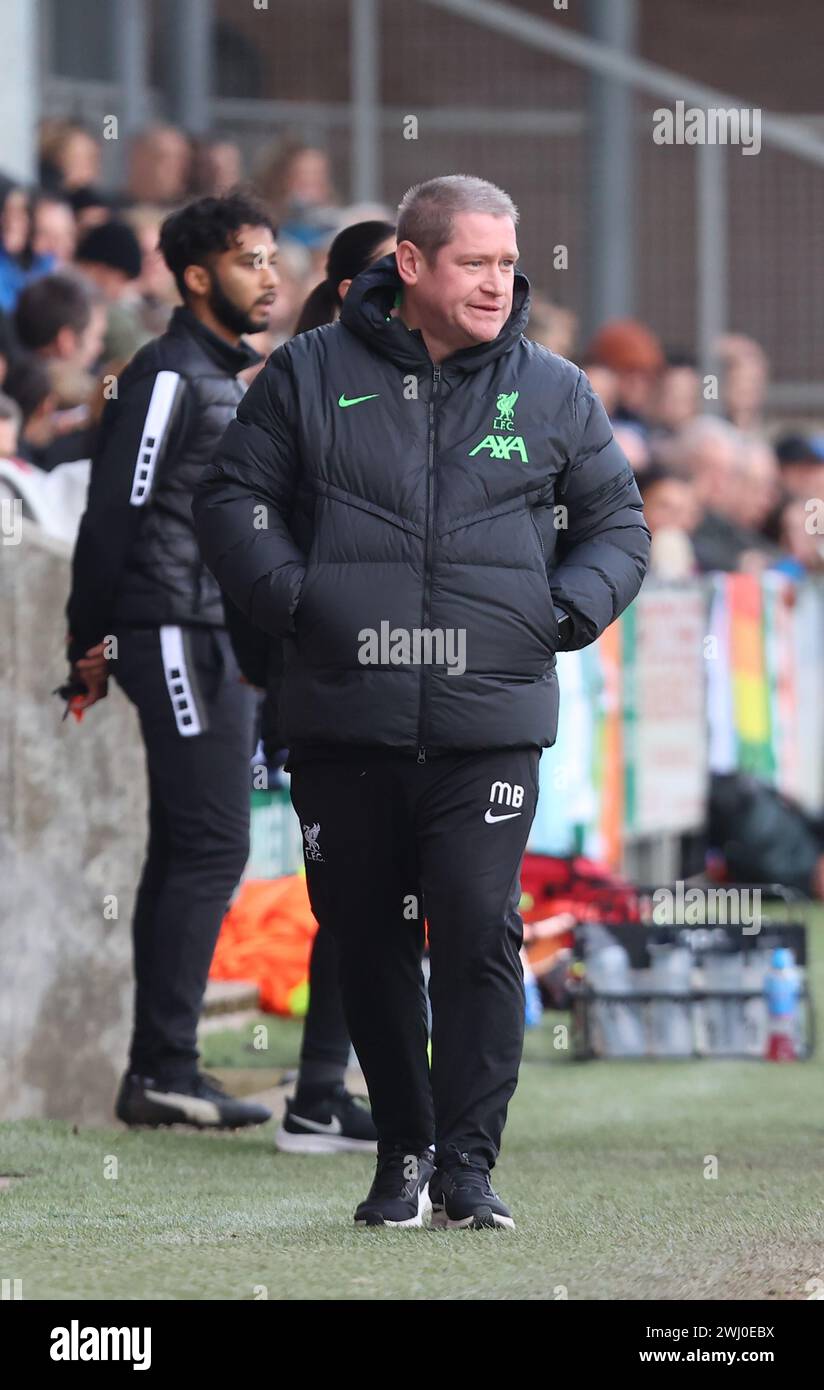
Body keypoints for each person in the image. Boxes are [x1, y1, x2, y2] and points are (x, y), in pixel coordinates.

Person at [193, 174, 650, 1228]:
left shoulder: (552, 389)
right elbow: (232, 498)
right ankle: (399, 1149)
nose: (498, 283)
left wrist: (563, 611)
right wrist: (297, 600)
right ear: (410, 264)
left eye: (507, 262)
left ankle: (468, 1165)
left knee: (477, 919)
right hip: (342, 717)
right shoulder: (308, 371)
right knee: (363, 934)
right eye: (473, 263)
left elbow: (616, 525)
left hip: (488, 723)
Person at [65, 192, 282, 1129]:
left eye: (273, 259)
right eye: (248, 261)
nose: (269, 276)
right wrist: (88, 637)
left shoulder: (227, 375)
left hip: (205, 633)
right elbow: (113, 511)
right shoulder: (165, 375)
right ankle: (165, 1067)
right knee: (211, 844)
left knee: (189, 847)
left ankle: (158, 1070)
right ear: (196, 277)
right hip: (173, 634)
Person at [225, 219, 395, 1155]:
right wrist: (302, 631)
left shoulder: (387, 388)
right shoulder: (299, 393)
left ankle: (326, 1089)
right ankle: (322, 1094)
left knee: (368, 890)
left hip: (361, 675)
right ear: (342, 291)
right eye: (386, 277)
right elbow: (245, 533)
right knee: (358, 889)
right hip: (325, 679)